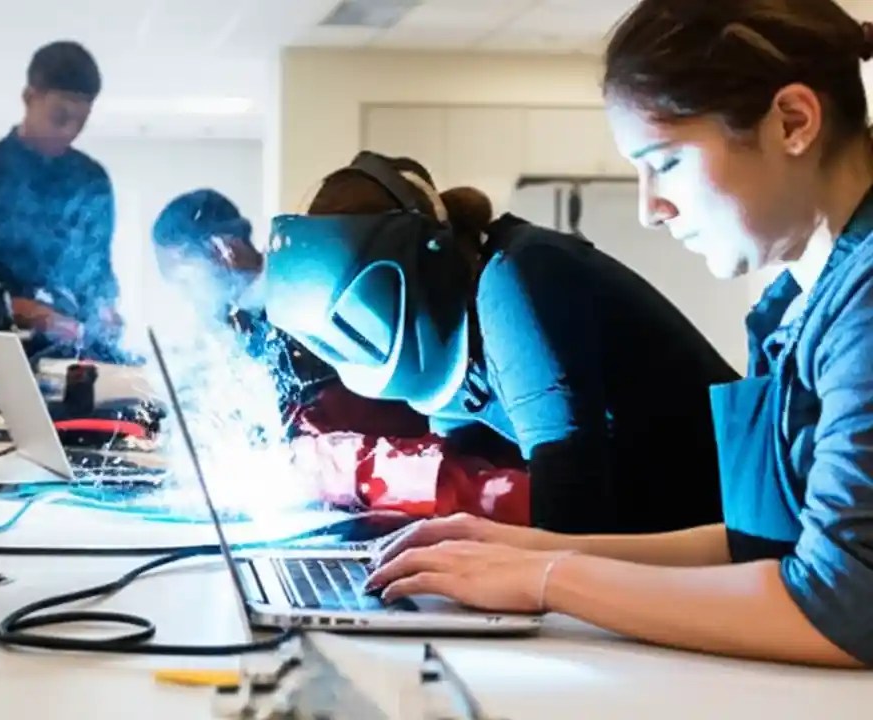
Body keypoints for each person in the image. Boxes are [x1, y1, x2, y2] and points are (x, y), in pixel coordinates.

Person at [365, 0, 873, 669]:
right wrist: (518, 550)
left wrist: (549, 581)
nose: (650, 208)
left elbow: (844, 607)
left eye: (664, 162)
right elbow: (765, 546)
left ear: (793, 122)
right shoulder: (792, 308)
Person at [266, 151, 740, 535]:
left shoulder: (517, 276)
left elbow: (569, 517)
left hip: (726, 547)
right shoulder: (454, 347)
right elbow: (488, 487)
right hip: (660, 547)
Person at [150, 189, 529, 522]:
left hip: (487, 493)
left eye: (184, 277)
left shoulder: (312, 316)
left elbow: (419, 449)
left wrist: (331, 467)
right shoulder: (256, 323)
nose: (186, 296)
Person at [0, 40, 123, 368]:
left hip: (81, 366)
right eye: (59, 117)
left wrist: (104, 309)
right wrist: (24, 311)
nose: (68, 132)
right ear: (29, 98)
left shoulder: (92, 181)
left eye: (80, 121)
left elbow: (99, 272)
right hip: (3, 367)